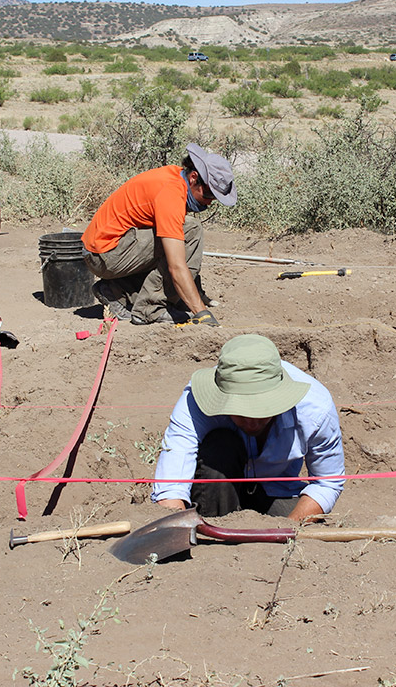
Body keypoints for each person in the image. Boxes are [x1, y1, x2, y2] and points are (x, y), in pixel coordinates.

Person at [151, 334, 345, 521]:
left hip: (277, 491)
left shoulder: (316, 410)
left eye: (263, 411)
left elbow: (327, 482)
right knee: (221, 444)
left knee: (304, 519)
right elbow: (171, 485)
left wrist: (287, 530)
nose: (252, 422)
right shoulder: (195, 402)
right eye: (240, 412)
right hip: (214, 491)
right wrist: (174, 529)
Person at [83, 143, 235, 326]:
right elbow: (177, 266)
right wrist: (201, 313)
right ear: (194, 177)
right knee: (191, 231)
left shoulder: (176, 176)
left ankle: (115, 290)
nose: (209, 203)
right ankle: (150, 309)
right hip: (104, 255)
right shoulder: (171, 194)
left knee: (183, 232)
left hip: (105, 249)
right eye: (209, 195)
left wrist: (196, 293)